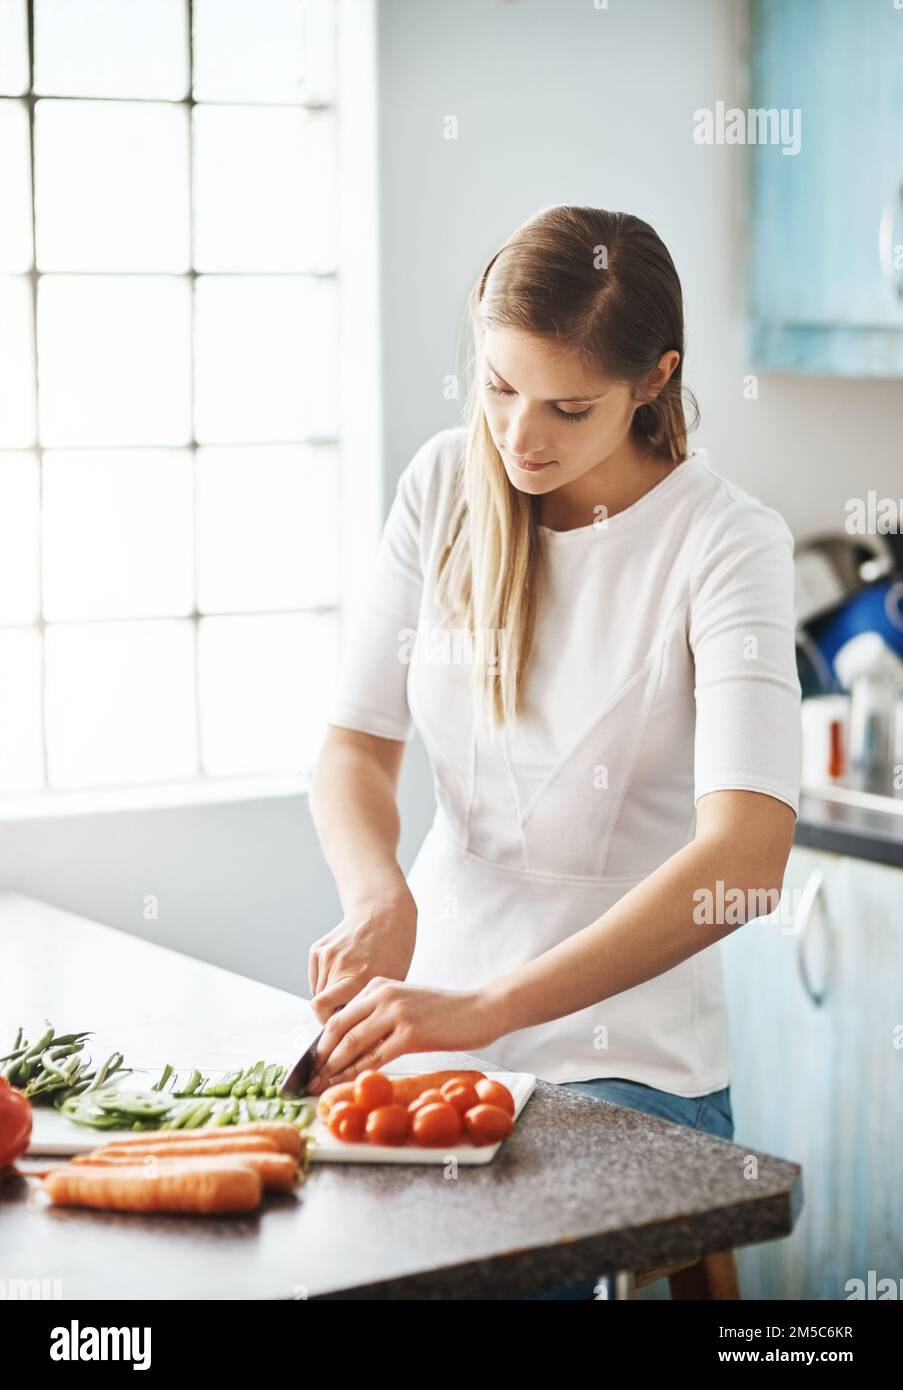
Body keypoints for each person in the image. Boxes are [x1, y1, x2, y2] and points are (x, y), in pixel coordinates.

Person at [306, 206, 801, 1296]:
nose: (519, 435)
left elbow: (749, 860)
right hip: (424, 1014)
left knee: (500, 1272)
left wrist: (490, 1009)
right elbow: (352, 747)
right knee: (317, 1255)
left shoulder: (725, 541)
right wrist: (375, 886)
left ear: (654, 380)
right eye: (496, 387)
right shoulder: (442, 486)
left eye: (566, 406)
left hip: (625, 1052)